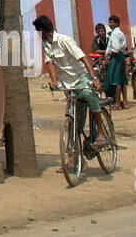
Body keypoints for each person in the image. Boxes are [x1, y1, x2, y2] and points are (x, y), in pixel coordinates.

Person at [32, 14, 110, 157]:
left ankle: (101, 132)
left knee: (89, 96)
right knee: (73, 122)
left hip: (81, 78)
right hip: (69, 85)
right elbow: (50, 64)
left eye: (38, 31)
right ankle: (74, 158)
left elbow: (83, 57)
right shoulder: (46, 45)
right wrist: (55, 82)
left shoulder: (64, 40)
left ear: (42, 30)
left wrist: (93, 78)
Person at [103, 14, 130, 110]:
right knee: (122, 81)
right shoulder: (120, 33)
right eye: (109, 22)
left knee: (116, 81)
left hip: (115, 58)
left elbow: (115, 49)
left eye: (112, 22)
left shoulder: (114, 34)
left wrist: (108, 59)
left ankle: (118, 103)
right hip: (120, 57)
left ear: (117, 23)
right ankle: (125, 103)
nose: (110, 24)